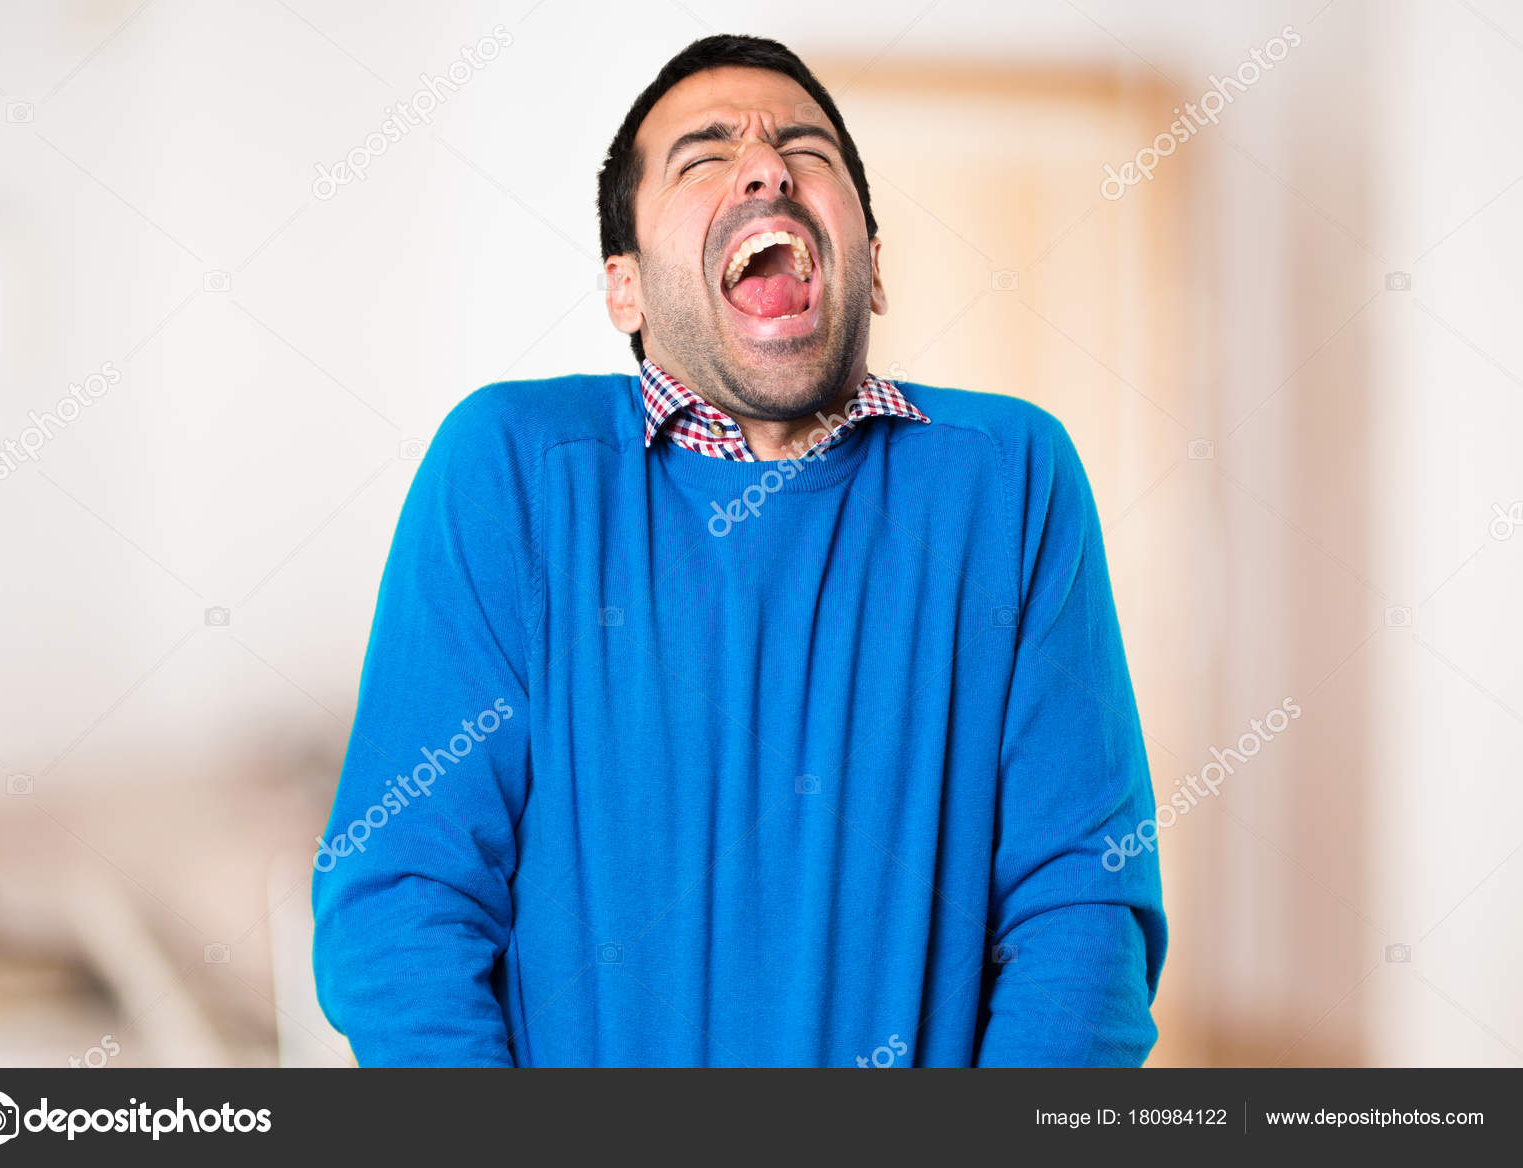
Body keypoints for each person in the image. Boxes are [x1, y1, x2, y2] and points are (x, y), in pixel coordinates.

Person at [312, 33, 1166, 1067]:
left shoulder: (1011, 477)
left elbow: (1081, 901)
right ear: (622, 288)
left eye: (805, 148)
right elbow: (403, 897)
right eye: (704, 156)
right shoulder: (511, 471)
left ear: (875, 268)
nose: (767, 165)